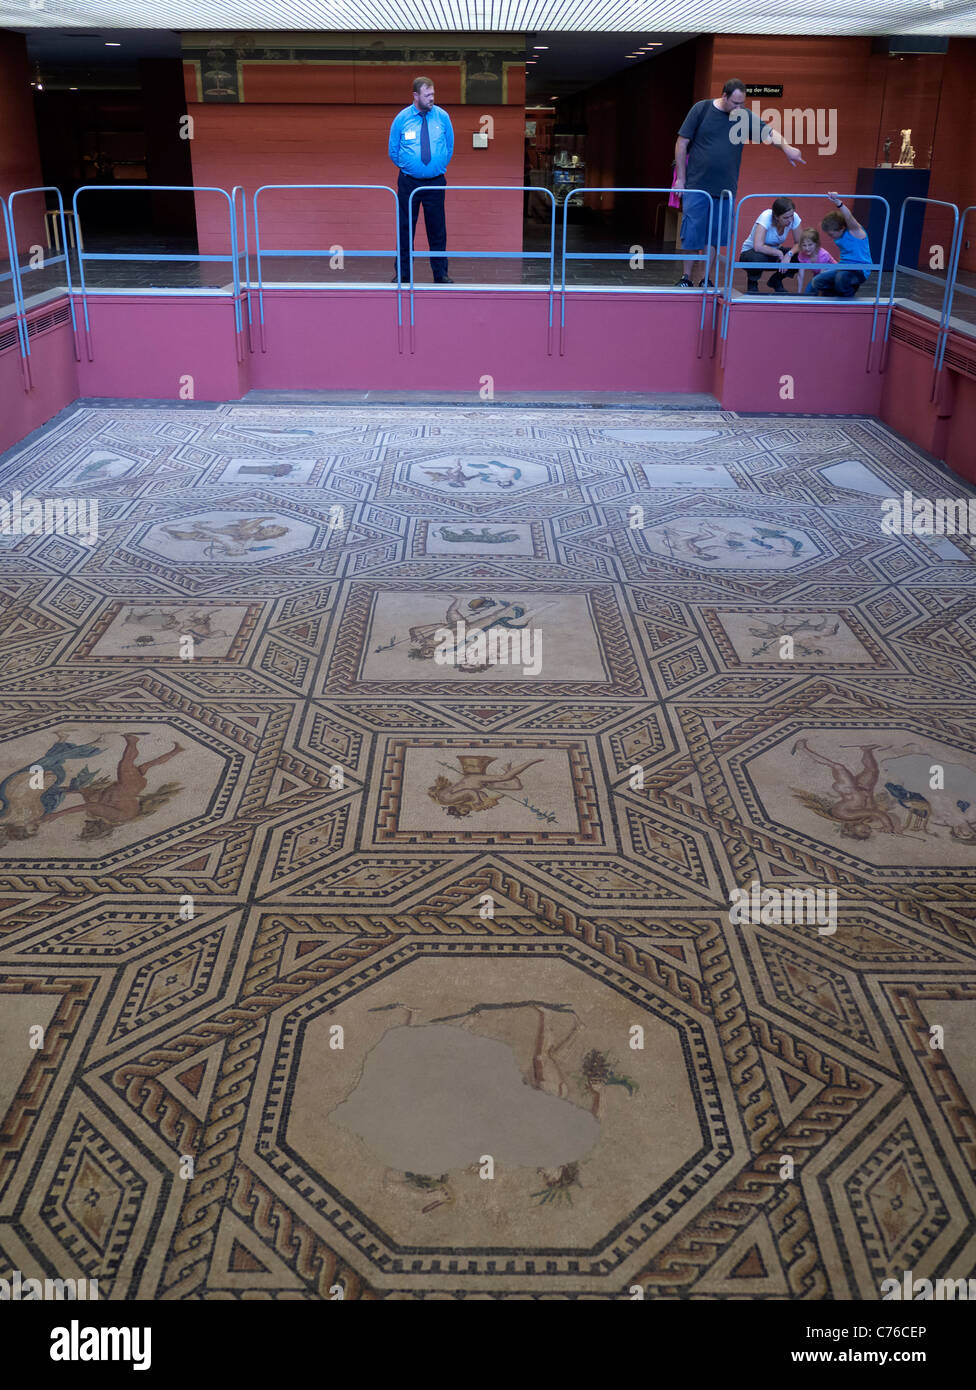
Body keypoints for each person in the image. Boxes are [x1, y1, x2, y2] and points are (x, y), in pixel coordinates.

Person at [673, 79, 805, 289]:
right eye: (735, 103)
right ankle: (685, 277)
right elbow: (682, 142)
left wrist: (787, 148)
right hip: (697, 186)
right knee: (691, 235)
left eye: (742, 103)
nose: (739, 107)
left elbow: (770, 133)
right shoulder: (702, 109)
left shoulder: (743, 118)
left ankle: (705, 278)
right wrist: (681, 179)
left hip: (725, 191)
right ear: (724, 96)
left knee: (714, 238)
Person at [389, 76, 455, 285]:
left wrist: (435, 166)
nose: (432, 98)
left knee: (437, 229)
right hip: (409, 183)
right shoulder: (402, 118)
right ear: (415, 96)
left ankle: (440, 274)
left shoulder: (442, 117)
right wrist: (411, 166)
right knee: (405, 228)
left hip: (435, 182)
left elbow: (449, 147)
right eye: (427, 95)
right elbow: (393, 150)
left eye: (433, 94)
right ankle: (403, 274)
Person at [804, 193, 873, 297]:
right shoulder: (838, 234)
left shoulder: (855, 232)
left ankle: (848, 300)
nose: (830, 237)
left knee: (840, 278)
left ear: (841, 228)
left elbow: (849, 218)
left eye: (831, 234)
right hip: (843, 267)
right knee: (817, 281)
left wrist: (838, 203)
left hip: (860, 270)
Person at [739, 197, 802, 293]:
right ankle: (752, 283)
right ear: (776, 217)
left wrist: (789, 255)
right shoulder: (766, 216)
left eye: (791, 216)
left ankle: (776, 280)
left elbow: (800, 242)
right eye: (785, 218)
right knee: (757, 258)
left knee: (801, 255)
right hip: (750, 253)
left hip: (773, 254)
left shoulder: (793, 217)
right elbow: (758, 246)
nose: (789, 220)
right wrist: (779, 253)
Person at [783, 225, 836, 293]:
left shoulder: (823, 255)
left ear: (816, 244)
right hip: (818, 277)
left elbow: (822, 276)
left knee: (817, 289)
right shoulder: (802, 255)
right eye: (804, 245)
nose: (807, 248)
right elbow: (800, 275)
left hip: (833, 275)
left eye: (810, 245)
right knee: (807, 292)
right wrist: (799, 293)